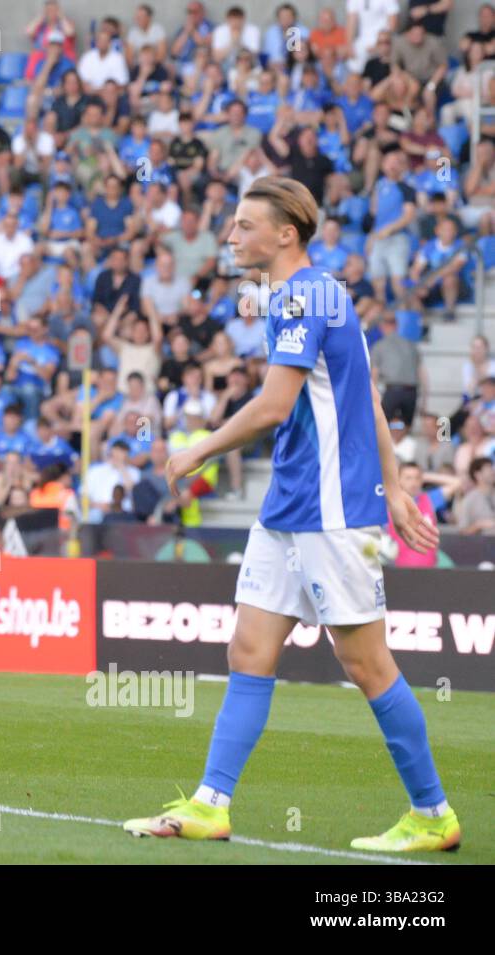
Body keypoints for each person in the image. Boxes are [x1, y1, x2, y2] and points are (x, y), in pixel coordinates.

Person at [124, 177, 458, 852]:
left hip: (331, 514)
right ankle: (212, 803)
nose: (231, 235)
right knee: (248, 647)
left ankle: (432, 812)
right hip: (289, 507)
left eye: (245, 225)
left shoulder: (304, 296)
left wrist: (198, 450)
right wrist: (394, 483)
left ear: (286, 233)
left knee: (368, 665)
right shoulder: (320, 294)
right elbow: (361, 394)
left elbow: (274, 407)